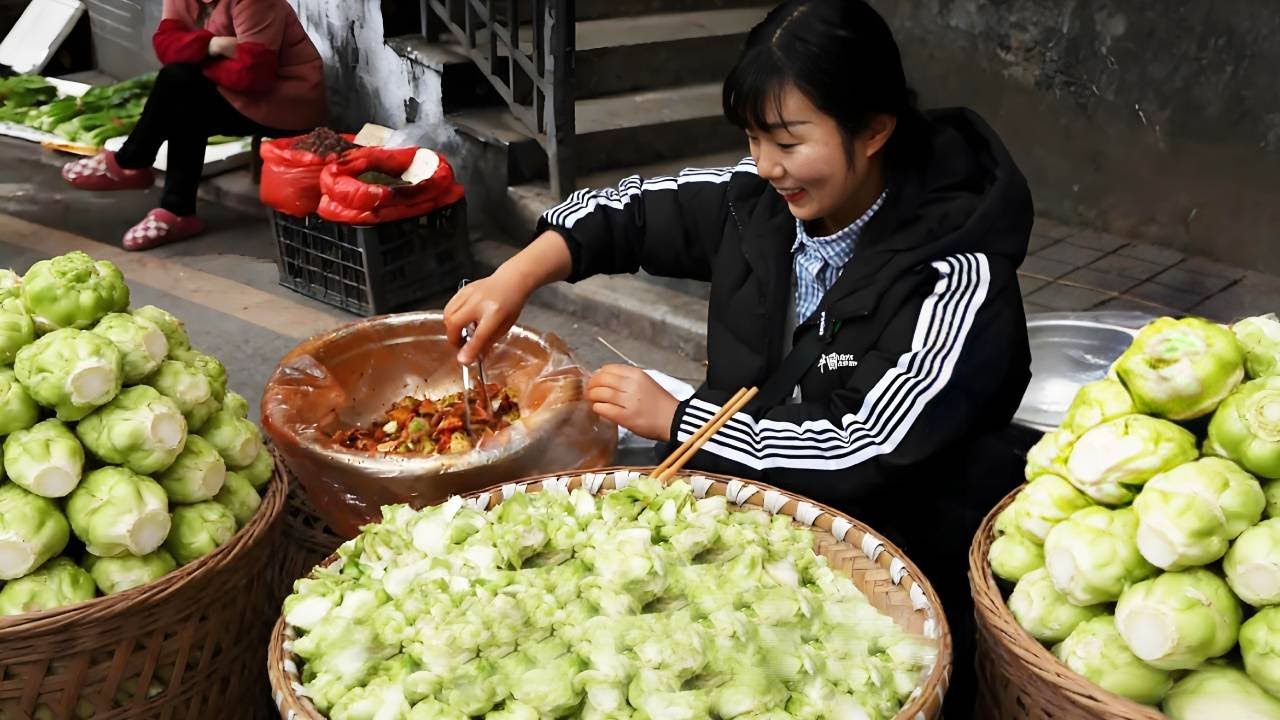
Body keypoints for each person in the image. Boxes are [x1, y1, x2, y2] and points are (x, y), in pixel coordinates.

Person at [445, 0, 1032, 714]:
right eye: (753, 138)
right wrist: (515, 276)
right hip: (745, 537)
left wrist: (683, 421)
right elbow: (630, 212)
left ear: (874, 129)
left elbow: (865, 449)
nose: (765, 165)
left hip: (884, 579)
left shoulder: (953, 278)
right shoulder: (760, 203)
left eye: (787, 140)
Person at [61, 0, 325, 250]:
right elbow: (165, 46)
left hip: (285, 103)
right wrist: (214, 46)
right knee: (182, 94)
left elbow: (254, 75)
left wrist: (193, 59)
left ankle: (135, 165)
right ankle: (174, 210)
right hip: (230, 91)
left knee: (180, 84)